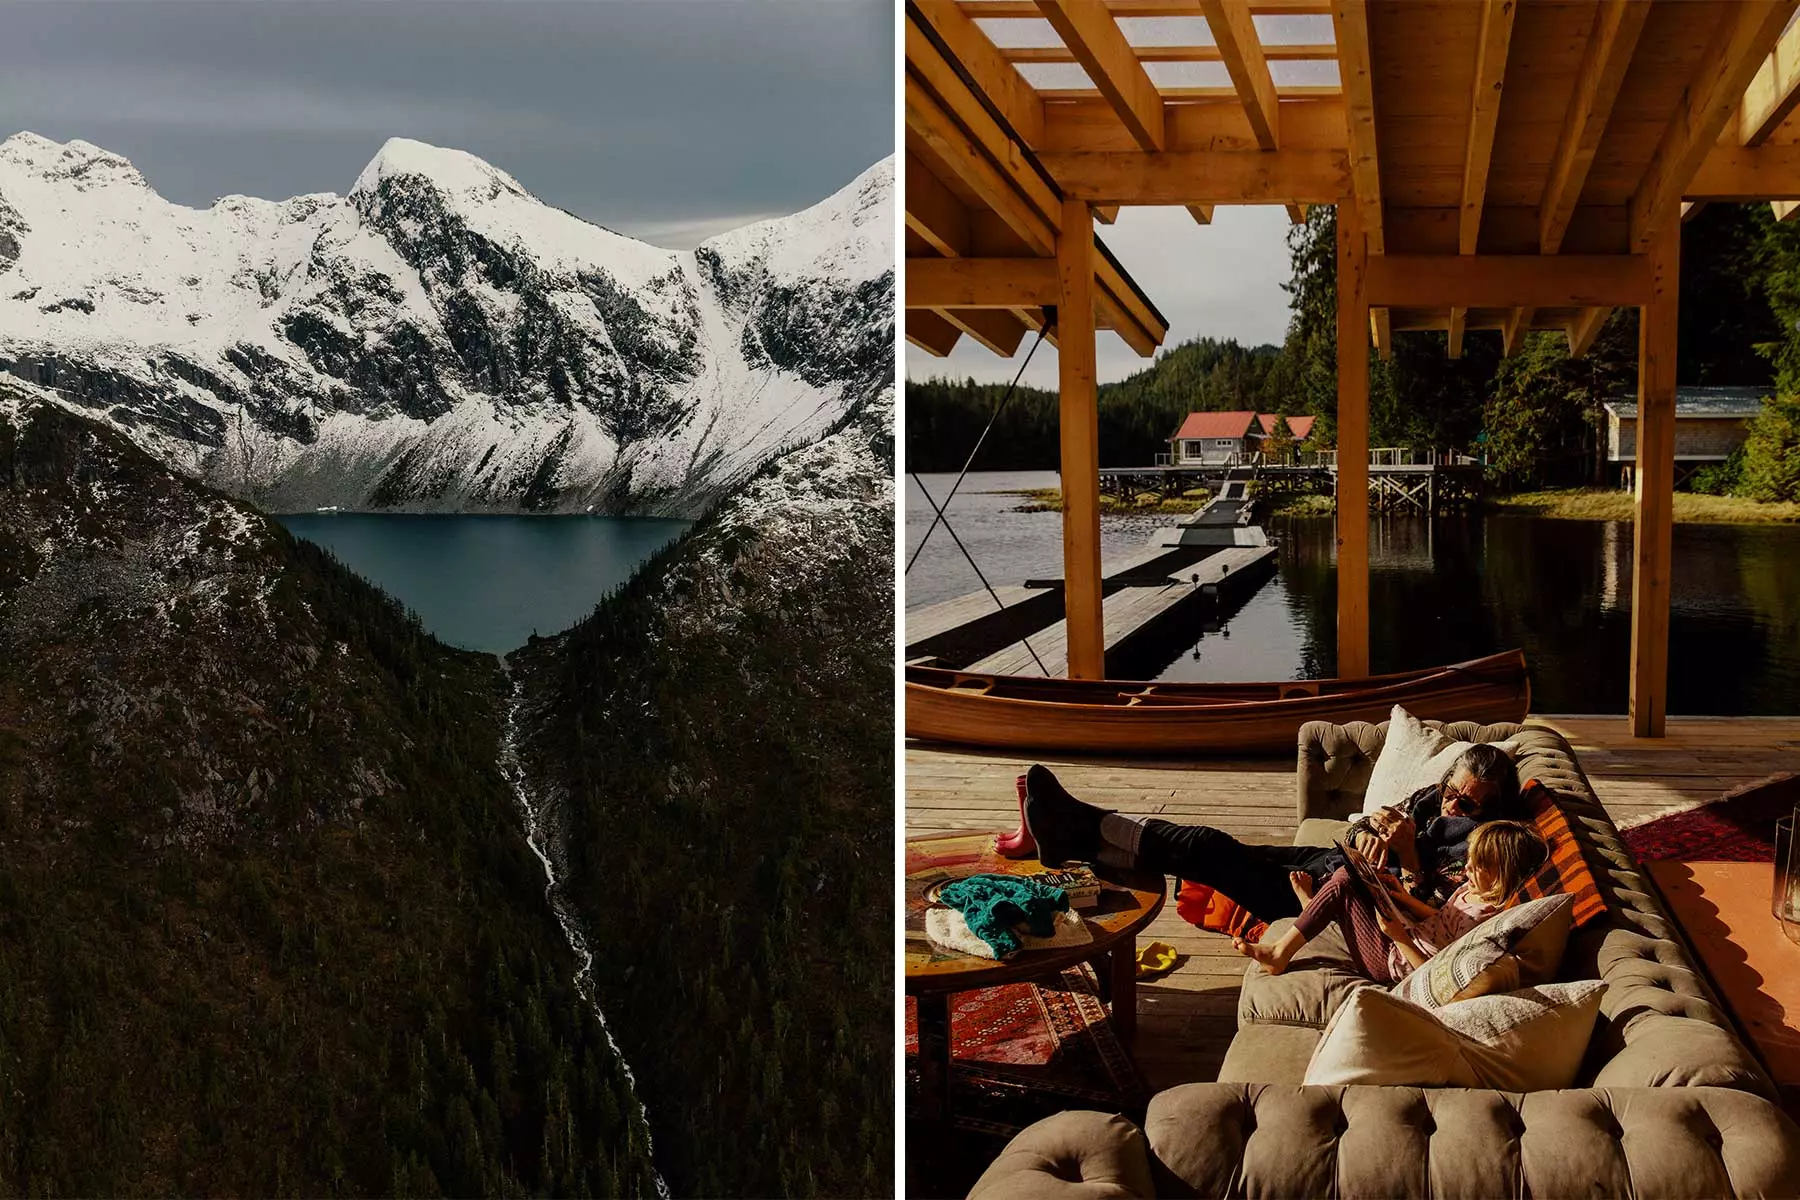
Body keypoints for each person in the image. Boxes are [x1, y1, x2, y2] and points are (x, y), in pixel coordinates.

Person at [1020, 741, 1522, 927]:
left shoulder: (1481, 844)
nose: (1451, 803)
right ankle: (1079, 839)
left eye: (1466, 802)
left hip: (1341, 900)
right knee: (1207, 855)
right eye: (1451, 789)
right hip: (1340, 859)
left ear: (1489, 810)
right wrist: (1373, 829)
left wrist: (1408, 855)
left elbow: (1434, 912)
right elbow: (1387, 816)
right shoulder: (1436, 796)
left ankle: (1083, 822)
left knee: (1206, 847)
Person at [1233, 819, 1549, 982]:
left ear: (1502, 873)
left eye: (1478, 865)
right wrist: (1398, 895)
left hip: (1395, 963)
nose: (1466, 868)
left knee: (1343, 881)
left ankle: (1280, 951)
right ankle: (1318, 910)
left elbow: (1434, 969)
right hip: (1410, 932)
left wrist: (1398, 936)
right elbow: (1441, 916)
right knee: (1360, 876)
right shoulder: (1475, 888)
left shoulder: (1483, 919)